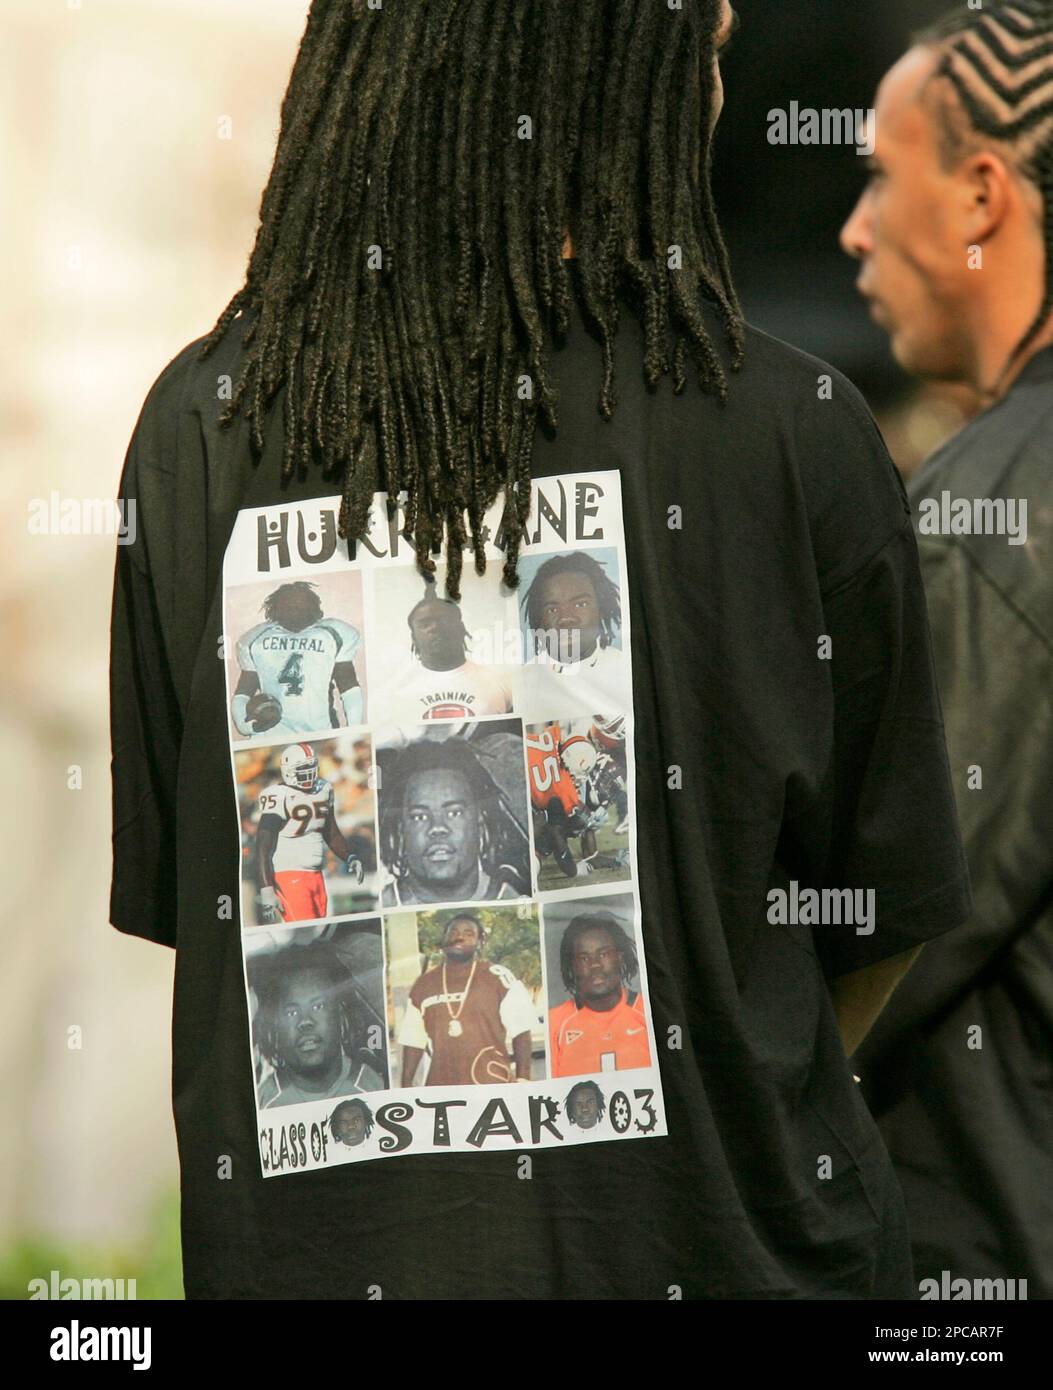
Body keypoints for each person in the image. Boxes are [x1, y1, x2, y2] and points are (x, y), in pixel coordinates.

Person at [110, 0, 971, 1298]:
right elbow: (874, 914)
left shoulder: (198, 431)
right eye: (707, 55)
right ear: (630, 77)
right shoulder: (794, 436)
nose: (719, 97)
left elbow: (202, 909)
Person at [839, 0, 1053, 1299]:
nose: (855, 227)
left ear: (980, 194)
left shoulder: (990, 526)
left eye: (878, 170)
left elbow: (869, 944)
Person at [378, 737, 528, 906]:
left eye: (454, 813)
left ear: (479, 819)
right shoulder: (378, 906)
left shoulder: (518, 900)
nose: (437, 828)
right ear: (401, 828)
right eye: (420, 816)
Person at [396, 913, 536, 1088]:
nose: (459, 937)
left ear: (479, 942)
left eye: (469, 934)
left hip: (491, 1084)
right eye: (453, 932)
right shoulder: (424, 984)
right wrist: (406, 1085)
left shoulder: (498, 977)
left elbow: (521, 1031)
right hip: (441, 1088)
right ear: (444, 939)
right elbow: (413, 1040)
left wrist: (523, 1079)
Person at [252, 941, 386, 1108]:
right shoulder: (263, 1101)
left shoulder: (376, 1088)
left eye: (318, 1006)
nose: (305, 1022)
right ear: (276, 1024)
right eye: (291, 1012)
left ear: (340, 1012)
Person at [231, 580, 364, 739]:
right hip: (271, 735)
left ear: (314, 607)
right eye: (289, 604)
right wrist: (243, 724)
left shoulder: (332, 634)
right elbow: (243, 692)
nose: (295, 609)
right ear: (276, 608)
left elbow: (349, 688)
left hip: (321, 732)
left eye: (301, 603)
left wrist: (355, 731)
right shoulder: (255, 640)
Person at [254, 741, 364, 924]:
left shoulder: (323, 789)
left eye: (311, 767)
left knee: (320, 932)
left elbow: (331, 831)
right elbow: (262, 847)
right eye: (302, 768)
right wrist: (267, 891)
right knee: (307, 935)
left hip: (316, 876)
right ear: (288, 770)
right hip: (289, 875)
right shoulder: (277, 795)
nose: (308, 773)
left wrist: (350, 857)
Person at [549, 913, 652, 1078]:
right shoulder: (554, 1024)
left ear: (620, 957)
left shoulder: (649, 1013)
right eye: (584, 958)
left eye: (603, 954)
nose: (595, 964)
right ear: (572, 966)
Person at [392, 587, 513, 722]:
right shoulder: (397, 693)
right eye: (425, 624)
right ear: (414, 638)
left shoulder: (501, 682)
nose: (435, 627)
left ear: (461, 628)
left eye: (444, 620)